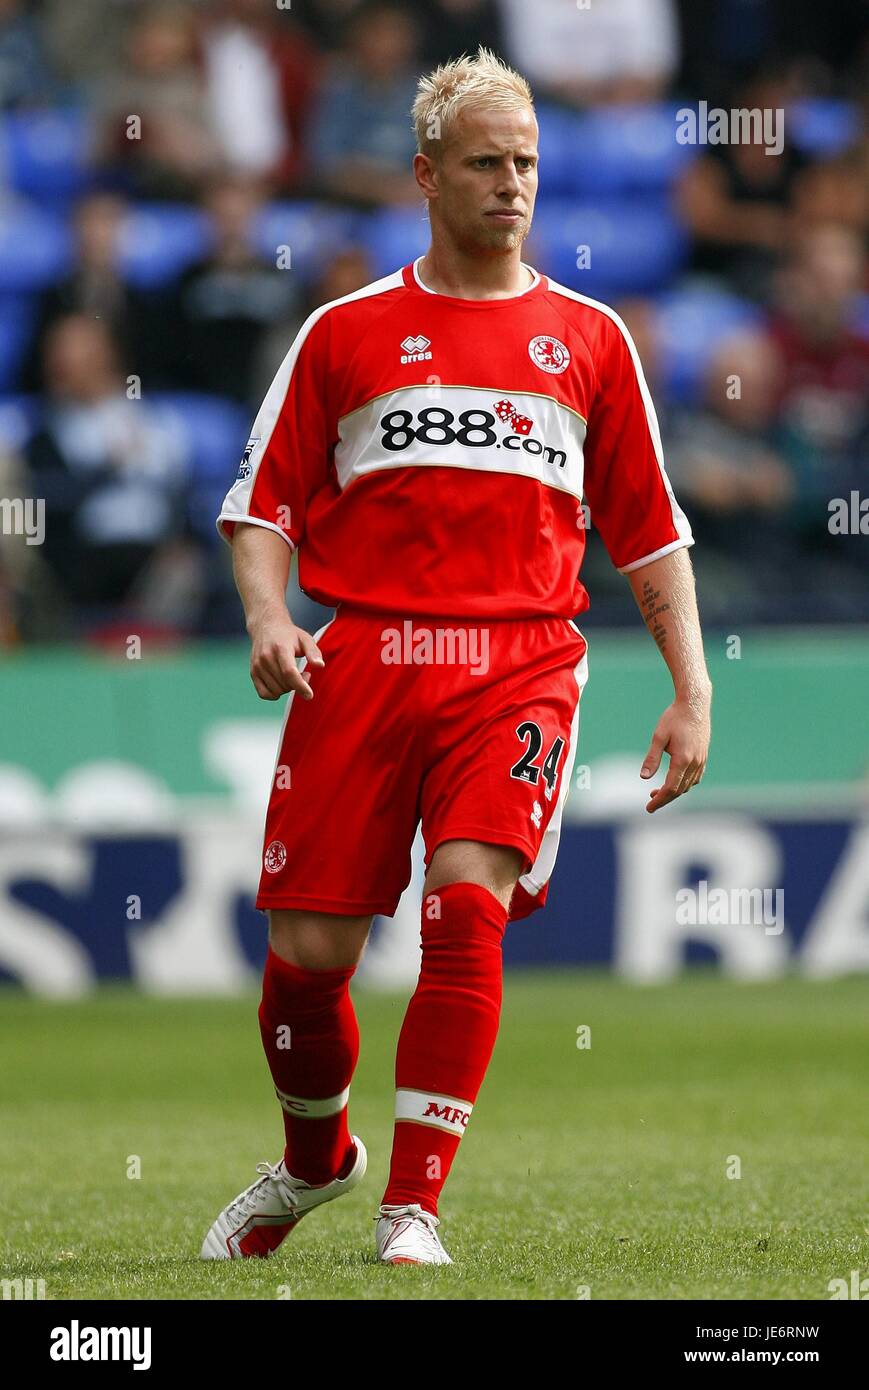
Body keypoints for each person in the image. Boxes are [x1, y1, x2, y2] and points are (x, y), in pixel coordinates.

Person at [202, 47, 711, 1267]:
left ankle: (411, 1207)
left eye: (527, 162)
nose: (512, 184)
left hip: (517, 661)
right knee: (307, 961)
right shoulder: (345, 333)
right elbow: (261, 507)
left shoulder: (586, 342)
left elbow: (648, 532)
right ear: (425, 176)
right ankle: (316, 1159)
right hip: (362, 658)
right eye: (485, 162)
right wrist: (272, 620)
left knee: (465, 904)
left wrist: (691, 689)